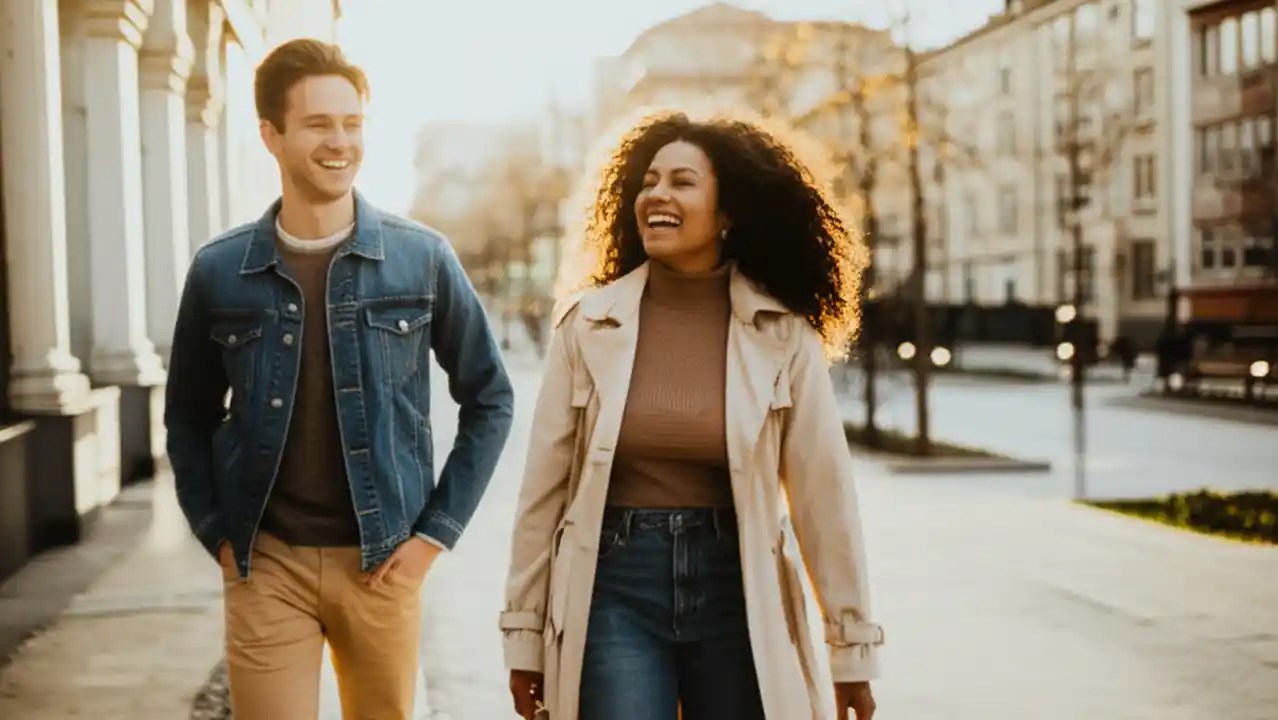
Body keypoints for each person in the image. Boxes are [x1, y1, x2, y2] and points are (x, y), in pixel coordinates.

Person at [165, 38, 513, 720]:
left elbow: (491, 398)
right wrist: (218, 531)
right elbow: (187, 415)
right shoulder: (218, 270)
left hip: (382, 561)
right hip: (268, 564)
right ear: (272, 134)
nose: (340, 142)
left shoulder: (423, 259)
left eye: (352, 123)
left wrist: (433, 535)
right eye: (319, 124)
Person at [500, 111, 884, 720]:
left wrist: (852, 649)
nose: (657, 193)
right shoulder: (588, 327)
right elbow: (541, 495)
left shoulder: (783, 336)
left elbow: (824, 499)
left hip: (740, 587)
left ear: (727, 213)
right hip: (613, 588)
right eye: (649, 180)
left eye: (682, 181)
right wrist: (523, 634)